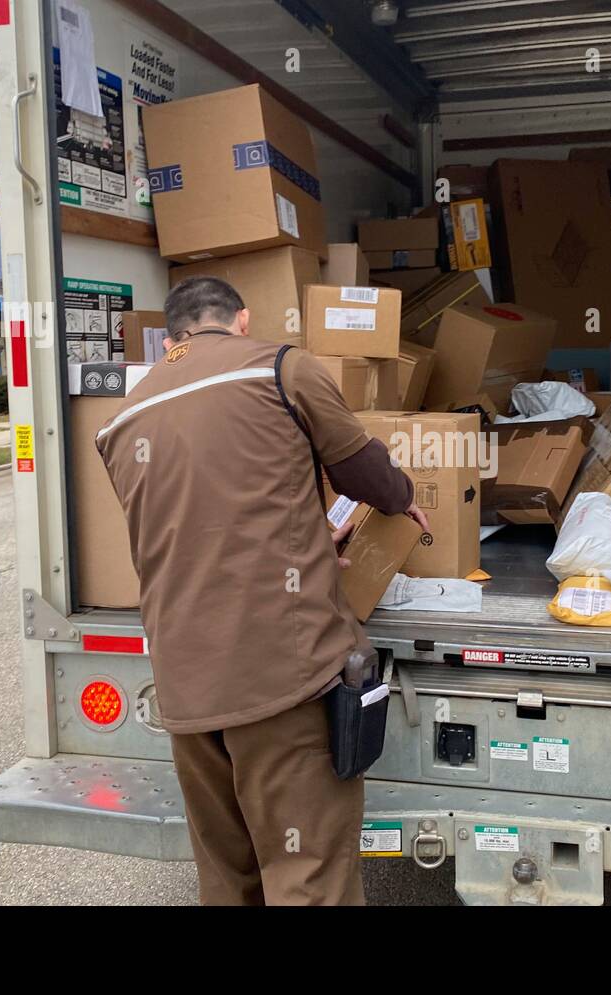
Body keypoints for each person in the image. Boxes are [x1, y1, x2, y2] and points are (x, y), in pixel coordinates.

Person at [95, 276, 428, 905]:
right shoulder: (279, 369)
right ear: (241, 320)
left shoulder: (120, 420)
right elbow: (359, 471)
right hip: (279, 674)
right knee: (306, 875)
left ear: (172, 339)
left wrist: (294, 536)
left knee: (228, 880)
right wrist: (406, 497)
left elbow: (193, 523)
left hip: (185, 687)